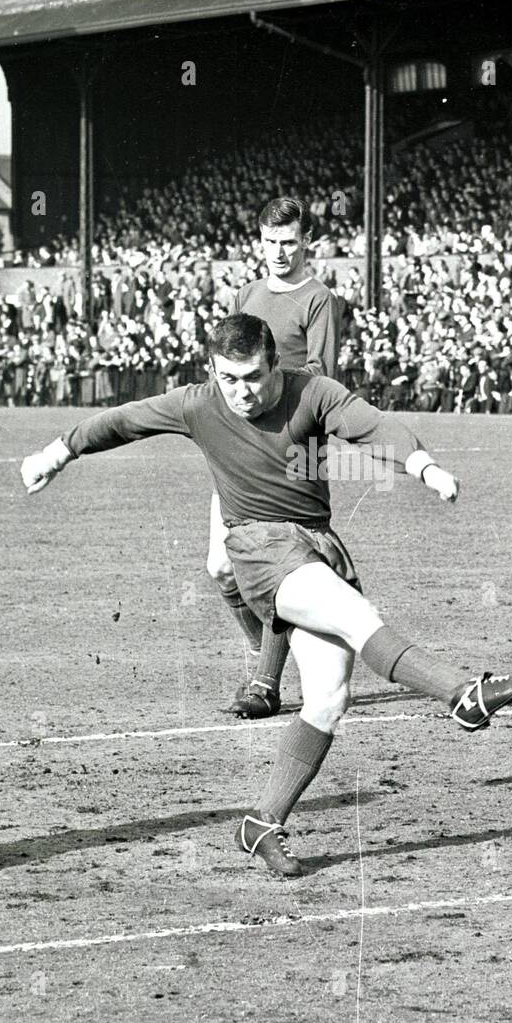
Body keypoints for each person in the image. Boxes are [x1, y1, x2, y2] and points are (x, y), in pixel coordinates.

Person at [21, 313, 512, 878]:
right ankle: (461, 694)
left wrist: (422, 465)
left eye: (252, 377)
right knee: (355, 614)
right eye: (228, 378)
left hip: (317, 544)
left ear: (275, 364)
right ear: (211, 371)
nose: (241, 391)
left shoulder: (310, 392)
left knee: (328, 698)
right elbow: (121, 422)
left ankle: (262, 821)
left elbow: (369, 425)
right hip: (259, 548)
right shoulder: (197, 404)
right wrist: (55, 453)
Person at [209, 197, 342, 723]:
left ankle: (266, 681)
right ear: (259, 242)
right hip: (239, 443)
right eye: (270, 242)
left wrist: (273, 395)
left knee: (281, 570)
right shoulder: (247, 293)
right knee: (222, 567)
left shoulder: (319, 299)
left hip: (292, 444)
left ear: (306, 241)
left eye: (289, 242)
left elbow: (321, 376)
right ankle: (266, 658)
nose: (279, 252)